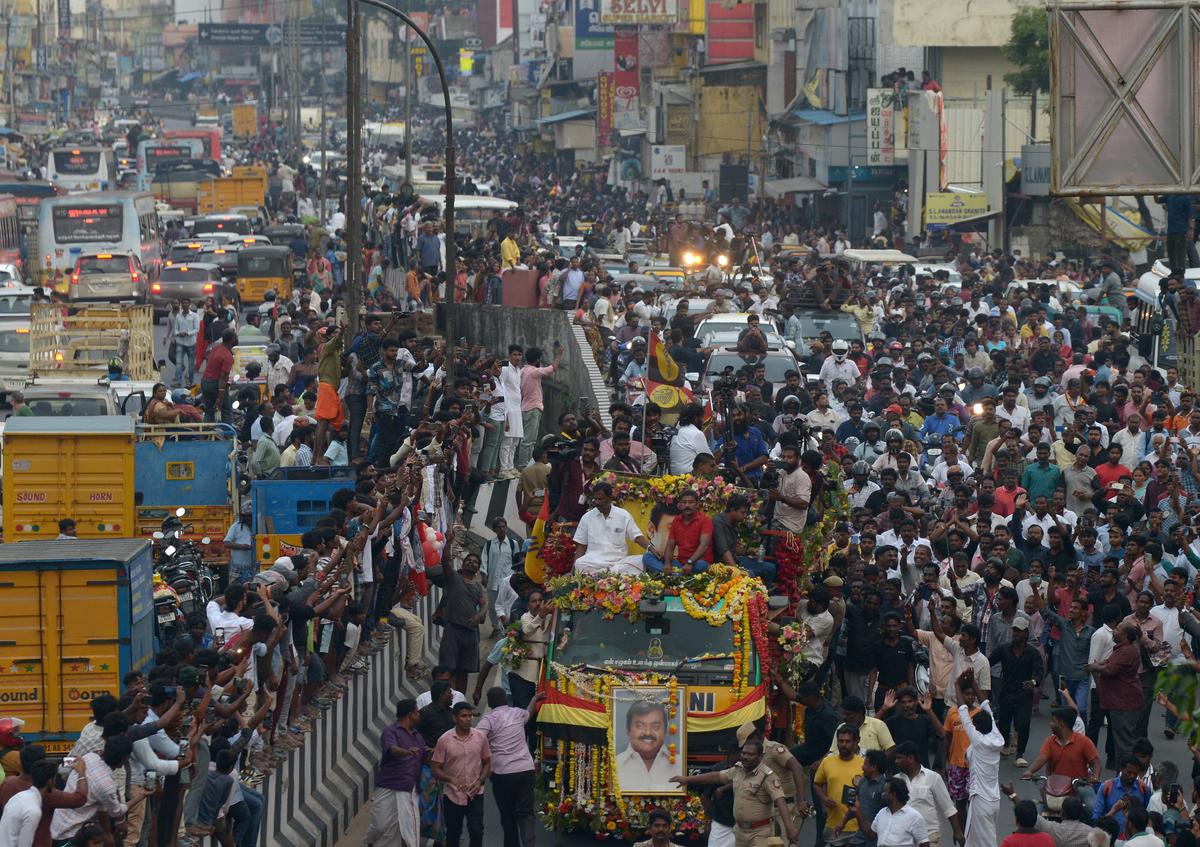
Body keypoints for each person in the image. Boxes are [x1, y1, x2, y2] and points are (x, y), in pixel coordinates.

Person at [669, 738, 799, 847]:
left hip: (760, 832)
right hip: (740, 831)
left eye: (750, 754)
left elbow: (780, 801)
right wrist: (687, 779)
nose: (745, 757)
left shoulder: (768, 776)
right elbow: (715, 776)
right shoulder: (738, 770)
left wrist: (789, 828)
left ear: (760, 757)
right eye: (744, 753)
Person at [476, 688, 541, 847]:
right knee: (526, 813)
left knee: (508, 815)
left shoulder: (488, 720)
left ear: (489, 703)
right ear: (506, 699)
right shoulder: (517, 713)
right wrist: (535, 699)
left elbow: (476, 738)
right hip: (525, 769)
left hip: (503, 773)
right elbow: (529, 712)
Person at [365, 699, 426, 847]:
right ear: (410, 714)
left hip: (408, 787)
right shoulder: (390, 731)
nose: (419, 715)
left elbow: (424, 755)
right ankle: (370, 842)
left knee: (408, 829)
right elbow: (392, 749)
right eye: (417, 712)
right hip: (388, 784)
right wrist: (405, 751)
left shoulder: (418, 736)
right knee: (380, 825)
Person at [430, 701, 491, 847]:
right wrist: (450, 779)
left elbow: (487, 762)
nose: (468, 719)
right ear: (455, 718)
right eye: (464, 716)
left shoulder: (480, 737)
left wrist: (480, 781)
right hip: (452, 795)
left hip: (475, 793)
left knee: (477, 831)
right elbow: (435, 768)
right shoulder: (444, 740)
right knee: (452, 834)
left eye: (470, 716)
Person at [955, 671, 1003, 847]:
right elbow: (987, 707)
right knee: (973, 841)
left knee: (986, 843)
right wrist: (974, 684)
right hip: (994, 800)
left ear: (976, 728)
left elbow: (962, 713)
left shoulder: (979, 740)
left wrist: (956, 686)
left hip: (981, 800)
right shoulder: (996, 736)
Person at [1019, 707, 1100, 809]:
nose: (1050, 724)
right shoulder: (1050, 741)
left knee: (1092, 808)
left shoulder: (1084, 742)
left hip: (1079, 785)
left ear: (1061, 724)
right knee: (1039, 812)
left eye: (1053, 721)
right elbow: (1042, 758)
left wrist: (1095, 776)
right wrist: (1030, 771)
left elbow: (1095, 763)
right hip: (1055, 786)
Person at [572, 481, 659, 575]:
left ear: (610, 498)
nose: (597, 502)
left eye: (600, 499)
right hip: (594, 562)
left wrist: (650, 548)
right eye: (595, 499)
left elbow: (637, 537)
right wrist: (574, 570)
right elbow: (581, 546)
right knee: (580, 563)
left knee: (642, 560)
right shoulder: (587, 517)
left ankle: (603, 573)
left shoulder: (623, 515)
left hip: (619, 562)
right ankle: (609, 573)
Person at [893, 741, 963, 846]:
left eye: (899, 758)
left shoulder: (933, 778)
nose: (895, 761)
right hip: (903, 839)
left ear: (910, 758)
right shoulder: (896, 780)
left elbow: (948, 808)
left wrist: (957, 832)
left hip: (929, 837)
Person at [813, 725, 866, 844]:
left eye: (848, 741)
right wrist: (824, 799)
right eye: (841, 741)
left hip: (857, 827)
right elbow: (816, 784)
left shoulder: (864, 764)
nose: (843, 745)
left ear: (857, 741)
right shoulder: (827, 762)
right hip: (833, 825)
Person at [850, 777, 931, 847]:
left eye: (885, 792)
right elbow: (870, 834)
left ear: (893, 794)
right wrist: (858, 811)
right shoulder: (882, 813)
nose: (882, 794)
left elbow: (924, 844)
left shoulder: (914, 816)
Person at [615, 701, 675, 793]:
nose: (647, 732)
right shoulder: (614, 765)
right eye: (639, 726)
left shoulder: (679, 764)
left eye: (655, 727)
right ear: (628, 730)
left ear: (665, 731)